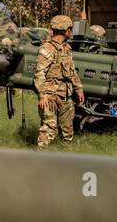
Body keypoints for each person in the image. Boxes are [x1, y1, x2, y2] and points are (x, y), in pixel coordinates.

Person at [33, 15, 85, 149]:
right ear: (64, 30)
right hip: (50, 96)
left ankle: (65, 157)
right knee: (49, 128)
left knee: (68, 131)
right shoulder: (47, 48)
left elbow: (72, 72)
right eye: (70, 28)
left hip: (65, 95)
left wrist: (79, 89)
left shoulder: (67, 49)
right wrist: (42, 94)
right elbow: (39, 74)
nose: (71, 31)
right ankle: (38, 156)